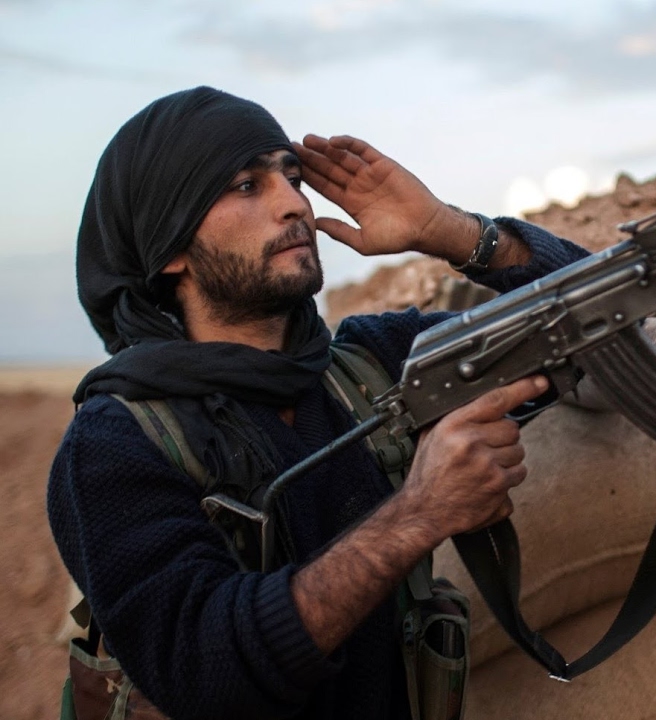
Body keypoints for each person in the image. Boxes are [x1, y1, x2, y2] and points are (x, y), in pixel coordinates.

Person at [46, 86, 589, 719]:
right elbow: (204, 670)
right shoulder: (115, 443)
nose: (294, 204)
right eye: (247, 186)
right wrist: (420, 511)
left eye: (293, 176)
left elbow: (591, 322)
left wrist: (450, 232)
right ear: (168, 248)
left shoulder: (370, 367)